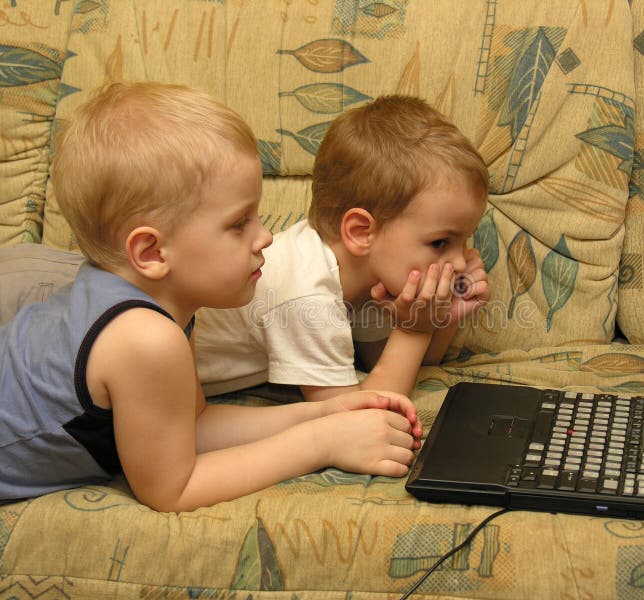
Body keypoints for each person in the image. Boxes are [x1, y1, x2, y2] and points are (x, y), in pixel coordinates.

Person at [0, 82, 422, 512]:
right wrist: (319, 442)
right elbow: (172, 489)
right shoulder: (143, 338)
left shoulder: (160, 306)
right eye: (240, 223)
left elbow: (193, 425)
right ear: (151, 252)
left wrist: (323, 414)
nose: (266, 236)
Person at [194, 95, 491, 402]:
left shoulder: (367, 274)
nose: (458, 262)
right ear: (362, 232)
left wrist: (438, 317)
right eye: (440, 242)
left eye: (465, 239)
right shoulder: (306, 296)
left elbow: (388, 364)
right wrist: (414, 331)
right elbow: (358, 419)